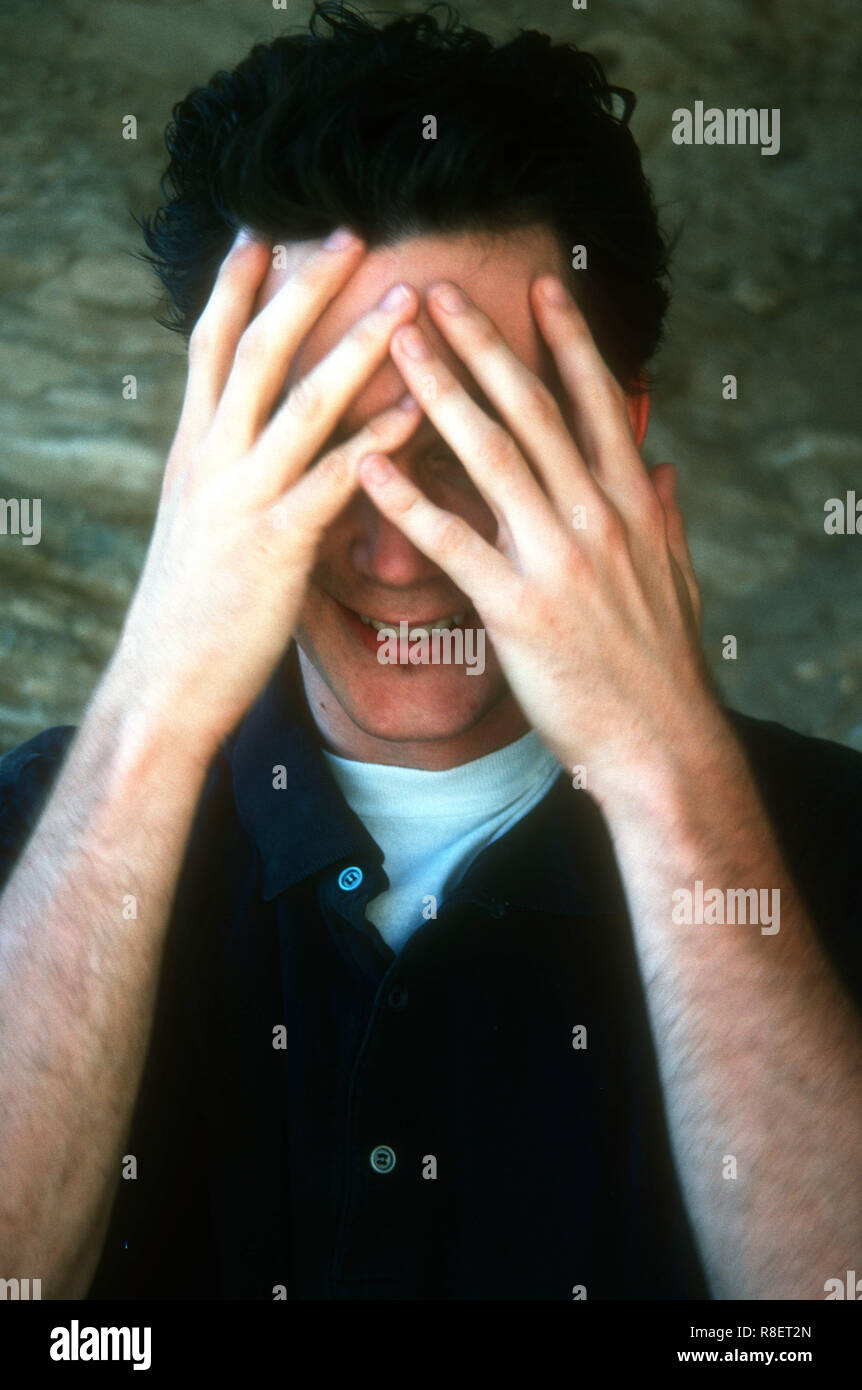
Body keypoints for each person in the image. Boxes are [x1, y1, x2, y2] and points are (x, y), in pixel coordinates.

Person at [0, 1, 860, 1302]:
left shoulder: (840, 849)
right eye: (324, 436)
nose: (400, 553)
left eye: (480, 436)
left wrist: (661, 767)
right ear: (207, 460)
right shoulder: (27, 840)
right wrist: (155, 709)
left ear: (616, 442)